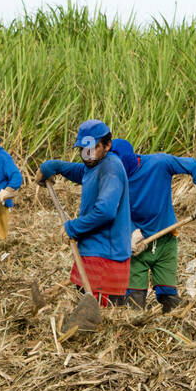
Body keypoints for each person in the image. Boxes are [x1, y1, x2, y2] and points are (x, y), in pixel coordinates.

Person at [110, 138, 196, 312]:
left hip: (165, 241)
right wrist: (129, 235)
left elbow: (193, 165)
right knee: (134, 304)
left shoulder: (159, 163)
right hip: (136, 245)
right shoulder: (112, 178)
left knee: (169, 297)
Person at [38, 120, 133, 305]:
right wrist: (52, 167)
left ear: (107, 146)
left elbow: (105, 212)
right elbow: (79, 171)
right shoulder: (94, 164)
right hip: (92, 251)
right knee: (83, 305)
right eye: (83, 149)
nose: (87, 154)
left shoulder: (111, 168)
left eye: (93, 148)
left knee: (100, 315)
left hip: (106, 256)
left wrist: (73, 227)